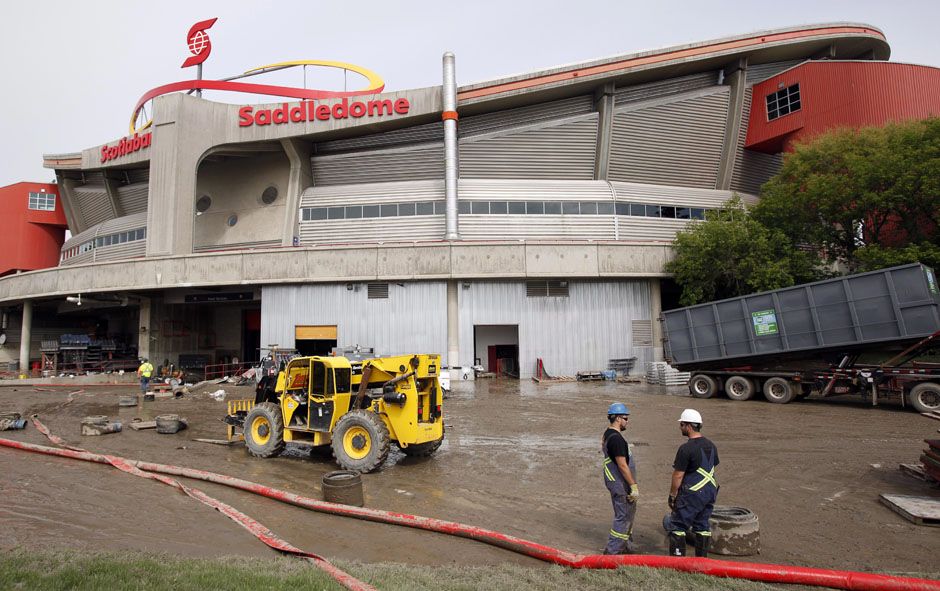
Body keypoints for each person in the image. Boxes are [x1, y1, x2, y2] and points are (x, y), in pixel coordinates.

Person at [666, 408, 719, 558]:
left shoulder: (686, 448)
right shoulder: (711, 445)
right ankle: (702, 562)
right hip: (710, 492)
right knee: (702, 525)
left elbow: (678, 475)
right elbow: (712, 466)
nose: (680, 427)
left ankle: (677, 562)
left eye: (681, 424)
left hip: (692, 493)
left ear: (688, 426)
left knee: (678, 525)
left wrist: (672, 495)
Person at [601, 402, 639, 555]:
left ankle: (626, 546)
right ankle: (612, 551)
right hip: (620, 483)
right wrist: (633, 486)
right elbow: (622, 465)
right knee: (623, 516)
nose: (627, 421)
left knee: (627, 515)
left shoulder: (608, 433)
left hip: (615, 481)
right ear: (617, 418)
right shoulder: (616, 439)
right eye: (625, 418)